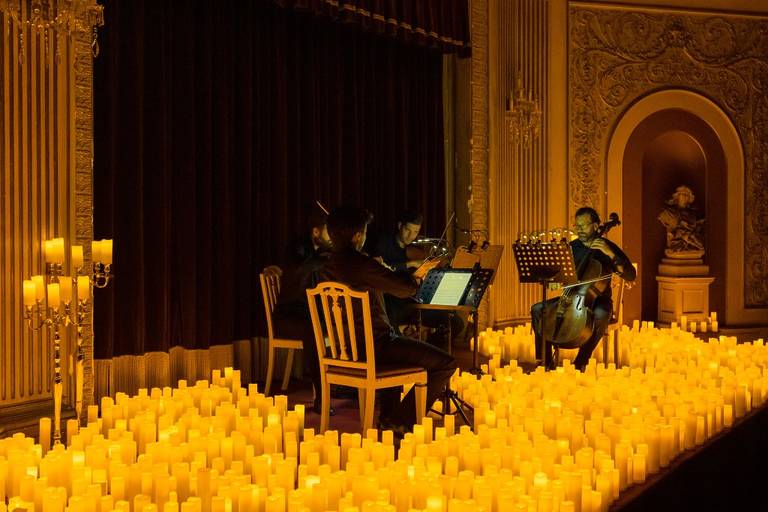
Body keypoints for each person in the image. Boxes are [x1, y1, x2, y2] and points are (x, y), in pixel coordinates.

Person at [320, 206, 457, 434]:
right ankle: (400, 419)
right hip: (376, 347)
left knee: (398, 342)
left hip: (347, 349)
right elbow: (404, 290)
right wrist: (419, 274)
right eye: (363, 232)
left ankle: (390, 419)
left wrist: (379, 270)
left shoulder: (329, 265)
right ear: (357, 236)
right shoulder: (361, 264)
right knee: (446, 363)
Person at [530, 207, 636, 371]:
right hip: (570, 298)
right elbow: (558, 276)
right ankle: (544, 360)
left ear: (595, 226)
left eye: (583, 226)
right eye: (577, 226)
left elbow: (630, 275)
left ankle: (581, 361)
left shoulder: (607, 247)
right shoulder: (571, 247)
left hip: (598, 299)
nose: (579, 230)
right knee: (537, 309)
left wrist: (611, 255)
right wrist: (553, 282)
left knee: (601, 315)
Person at [368, 210, 465, 349]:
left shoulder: (416, 248)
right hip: (393, 303)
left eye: (415, 231)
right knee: (392, 336)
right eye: (408, 230)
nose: (411, 236)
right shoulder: (384, 243)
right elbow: (380, 269)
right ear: (400, 226)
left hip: (415, 302)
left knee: (455, 322)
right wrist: (410, 264)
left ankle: (427, 349)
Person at [269, 208, 332, 413]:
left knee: (346, 323)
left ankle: (347, 385)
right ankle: (322, 396)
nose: (332, 238)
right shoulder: (297, 249)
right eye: (328, 233)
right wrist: (324, 257)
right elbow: (298, 272)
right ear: (316, 233)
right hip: (288, 316)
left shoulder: (322, 254)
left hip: (310, 314)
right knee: (313, 330)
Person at [657, 185, 705, 253]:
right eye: (682, 194)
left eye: (686, 195)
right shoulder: (669, 212)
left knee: (699, 242)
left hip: (691, 240)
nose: (684, 197)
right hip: (677, 242)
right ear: (677, 196)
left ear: (689, 198)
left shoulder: (693, 214)